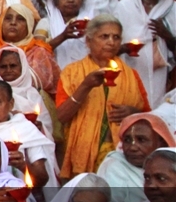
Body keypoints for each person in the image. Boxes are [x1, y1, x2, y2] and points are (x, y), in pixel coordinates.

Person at [56, 14, 148, 178]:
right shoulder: (71, 72)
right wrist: (85, 86)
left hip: (121, 155)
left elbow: (149, 117)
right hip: (81, 149)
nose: (111, 42)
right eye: (104, 36)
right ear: (89, 41)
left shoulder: (131, 75)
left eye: (116, 37)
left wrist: (132, 112)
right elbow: (62, 116)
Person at [115, 0, 175, 107]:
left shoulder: (172, 10)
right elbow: (109, 42)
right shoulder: (125, 6)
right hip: (127, 68)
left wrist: (167, 36)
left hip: (158, 74)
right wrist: (124, 48)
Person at [0, 0, 59, 94]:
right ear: (1, 23)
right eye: (8, 18)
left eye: (20, 19)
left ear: (29, 24)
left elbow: (45, 84)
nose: (13, 22)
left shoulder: (39, 51)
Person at [95, 112, 174, 202]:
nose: (132, 147)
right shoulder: (114, 167)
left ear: (162, 143)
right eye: (127, 140)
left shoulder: (172, 164)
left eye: (141, 140)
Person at [0, 46, 56, 138]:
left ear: (22, 67)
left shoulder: (33, 94)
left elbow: (46, 125)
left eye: (13, 66)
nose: (8, 70)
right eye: (3, 67)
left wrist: (40, 127)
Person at [35, 0, 99, 70]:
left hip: (87, 72)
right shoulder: (45, 23)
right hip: (55, 75)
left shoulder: (94, 23)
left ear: (83, 0)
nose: (71, 0)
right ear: (56, 2)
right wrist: (63, 36)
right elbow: (37, 52)